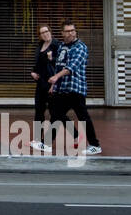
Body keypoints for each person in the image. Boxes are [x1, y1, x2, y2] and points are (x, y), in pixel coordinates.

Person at [47, 22, 101, 155]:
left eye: (73, 30)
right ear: (62, 33)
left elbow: (71, 67)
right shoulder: (62, 47)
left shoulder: (80, 47)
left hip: (76, 88)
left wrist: (55, 77)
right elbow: (59, 66)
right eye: (68, 31)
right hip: (63, 88)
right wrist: (54, 84)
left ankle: (95, 145)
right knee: (56, 114)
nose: (71, 33)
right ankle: (46, 143)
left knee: (82, 117)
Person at [29, 24, 58, 153]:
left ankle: (49, 142)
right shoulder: (39, 46)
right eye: (42, 33)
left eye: (46, 31)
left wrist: (52, 58)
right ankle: (36, 139)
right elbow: (38, 64)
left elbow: (60, 65)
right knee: (39, 111)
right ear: (39, 35)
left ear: (50, 31)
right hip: (41, 83)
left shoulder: (57, 45)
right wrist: (33, 73)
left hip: (52, 84)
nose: (45, 34)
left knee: (55, 113)